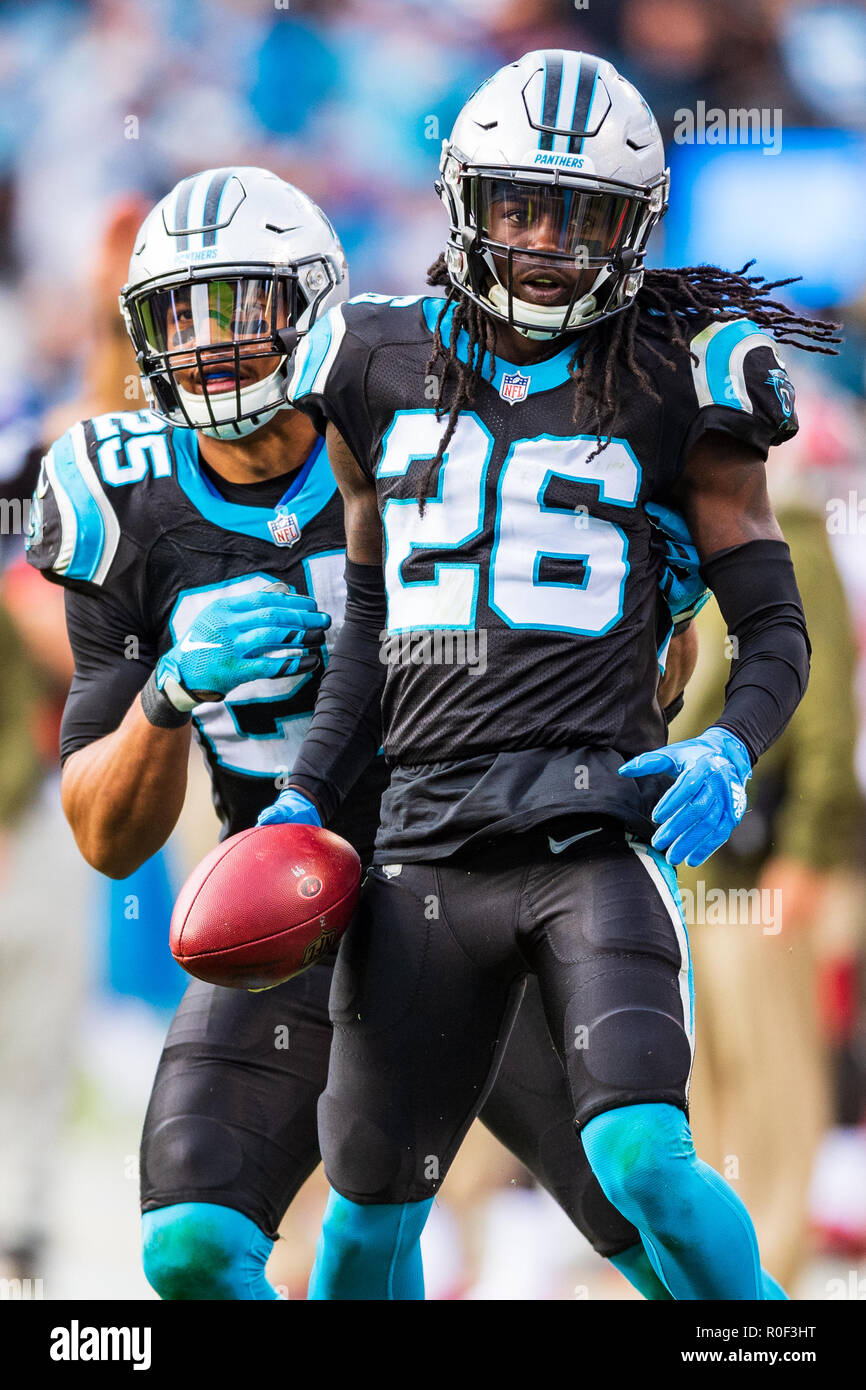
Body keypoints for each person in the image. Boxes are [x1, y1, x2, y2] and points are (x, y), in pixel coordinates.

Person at [28, 165, 699, 1301]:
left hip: (480, 869)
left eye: (241, 308)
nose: (210, 347)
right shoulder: (117, 491)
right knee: (188, 1243)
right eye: (180, 316)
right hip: (293, 900)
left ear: (318, 310)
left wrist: (660, 616)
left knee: (644, 1225)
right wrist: (167, 694)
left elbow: (639, 678)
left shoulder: (423, 413)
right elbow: (104, 833)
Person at [260, 50, 834, 1299]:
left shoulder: (679, 370)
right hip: (419, 845)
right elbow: (372, 612)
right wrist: (308, 789)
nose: (545, 244)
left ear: (636, 228)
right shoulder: (366, 360)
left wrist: (729, 744)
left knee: (642, 1157)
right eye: (522, 206)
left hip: (588, 830)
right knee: (362, 1224)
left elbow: (775, 623)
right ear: (466, 200)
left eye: (583, 218)